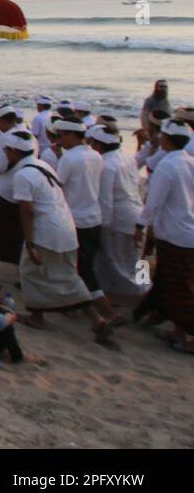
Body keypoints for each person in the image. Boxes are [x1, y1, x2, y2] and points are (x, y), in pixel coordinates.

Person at [4, 129, 116, 344]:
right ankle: (95, 318)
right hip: (67, 227)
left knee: (30, 272)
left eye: (7, 151)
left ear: (14, 152)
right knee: (67, 277)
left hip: (47, 232)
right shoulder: (43, 166)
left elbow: (27, 210)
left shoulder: (23, 174)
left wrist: (30, 242)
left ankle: (41, 317)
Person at [54, 118, 122, 325]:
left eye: (62, 135)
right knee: (85, 265)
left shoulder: (70, 159)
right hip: (94, 217)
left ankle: (109, 310)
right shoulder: (96, 156)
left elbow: (57, 186)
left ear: (74, 135)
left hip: (77, 218)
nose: (59, 140)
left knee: (82, 268)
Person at [138, 120, 194, 352]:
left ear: (167, 139)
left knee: (179, 289)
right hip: (182, 231)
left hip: (174, 234)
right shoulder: (189, 161)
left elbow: (153, 202)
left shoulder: (168, 166)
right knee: (166, 280)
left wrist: (141, 225)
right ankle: (174, 328)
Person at [89, 125, 145, 299]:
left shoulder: (106, 164)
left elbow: (106, 199)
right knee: (136, 258)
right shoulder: (127, 158)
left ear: (99, 145)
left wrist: (102, 225)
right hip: (137, 211)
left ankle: (131, 293)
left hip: (119, 216)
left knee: (116, 260)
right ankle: (143, 288)